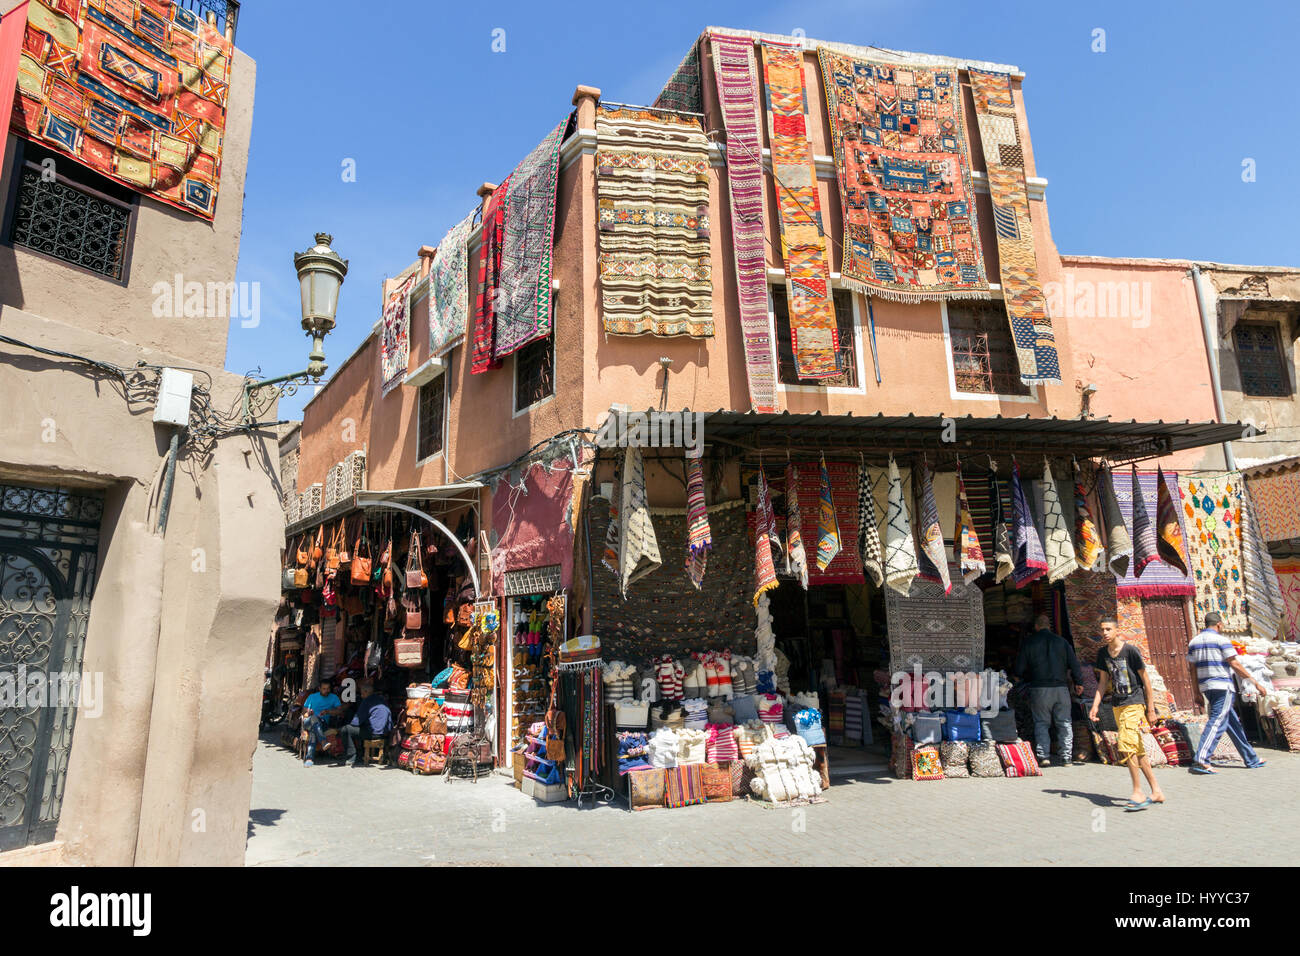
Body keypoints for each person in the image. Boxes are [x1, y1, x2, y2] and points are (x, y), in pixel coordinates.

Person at [1089, 618, 1166, 810]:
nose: (1105, 633)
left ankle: (1137, 792)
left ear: (1117, 631)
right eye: (1102, 630)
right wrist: (1095, 705)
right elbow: (1103, 682)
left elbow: (1146, 680)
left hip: (1134, 703)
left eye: (1108, 629)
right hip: (1117, 704)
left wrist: (1150, 708)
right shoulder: (1102, 654)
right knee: (1137, 748)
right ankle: (1156, 791)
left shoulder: (1130, 651)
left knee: (1126, 743)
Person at [1186, 612, 1269, 774]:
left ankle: (1250, 758)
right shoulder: (1222, 640)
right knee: (1217, 722)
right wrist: (1256, 683)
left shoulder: (1194, 642)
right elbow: (1235, 664)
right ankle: (1202, 759)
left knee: (1233, 724)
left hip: (1206, 687)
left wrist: (1196, 692)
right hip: (1222, 686)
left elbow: (1192, 669)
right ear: (1219, 624)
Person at [1014, 613, 1085, 766]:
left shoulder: (1029, 643)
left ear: (1036, 627)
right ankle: (1066, 757)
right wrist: (1079, 682)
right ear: (1049, 626)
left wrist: (1020, 677)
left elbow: (1019, 668)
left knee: (1041, 723)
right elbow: (1074, 664)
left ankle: (1043, 756)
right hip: (1061, 689)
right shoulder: (1062, 642)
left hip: (1040, 689)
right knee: (1065, 722)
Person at [344, 682, 394, 766]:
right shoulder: (381, 700)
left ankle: (351, 757)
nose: (361, 695)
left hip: (374, 733)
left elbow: (356, 721)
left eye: (362, 693)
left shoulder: (367, 701)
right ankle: (361, 754)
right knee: (362, 728)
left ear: (366, 692)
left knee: (345, 729)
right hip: (385, 733)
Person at [302, 678, 344, 766]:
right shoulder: (312, 697)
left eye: (328, 688)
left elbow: (339, 711)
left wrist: (328, 712)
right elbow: (304, 711)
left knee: (313, 731)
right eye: (324, 689)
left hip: (322, 723)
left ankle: (309, 758)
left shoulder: (334, 698)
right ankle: (323, 742)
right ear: (319, 689)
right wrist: (308, 712)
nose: (326, 691)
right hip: (308, 722)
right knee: (313, 718)